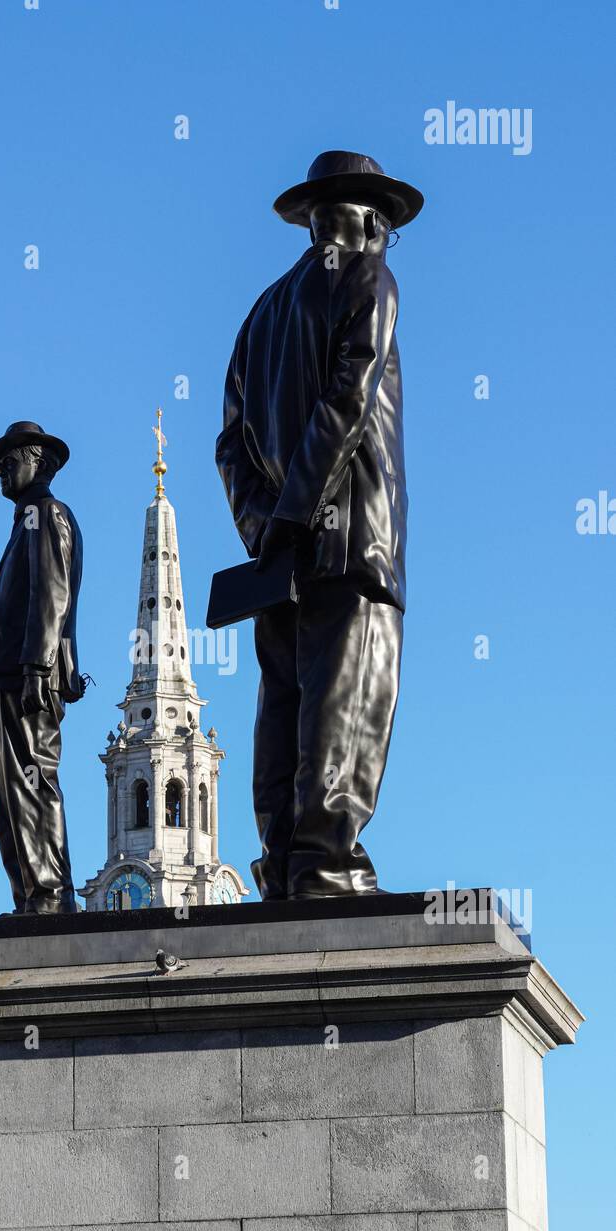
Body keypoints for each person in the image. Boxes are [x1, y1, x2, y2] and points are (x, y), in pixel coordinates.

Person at [215, 152, 424, 898]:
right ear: (369, 218)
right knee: (350, 696)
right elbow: (349, 400)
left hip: (279, 560)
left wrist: (266, 530)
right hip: (352, 540)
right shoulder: (368, 279)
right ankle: (327, 866)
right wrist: (302, 515)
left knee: (286, 705)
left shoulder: (261, 313)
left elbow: (229, 443)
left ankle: (282, 862)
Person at [0, 421, 84, 914]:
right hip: (4, 676)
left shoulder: (46, 512)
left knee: (33, 779)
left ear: (38, 462)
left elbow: (51, 593)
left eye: (10, 460)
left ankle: (50, 893)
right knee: (8, 791)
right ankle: (28, 894)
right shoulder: (24, 520)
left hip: (27, 675)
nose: (1, 471)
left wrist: (40, 666)